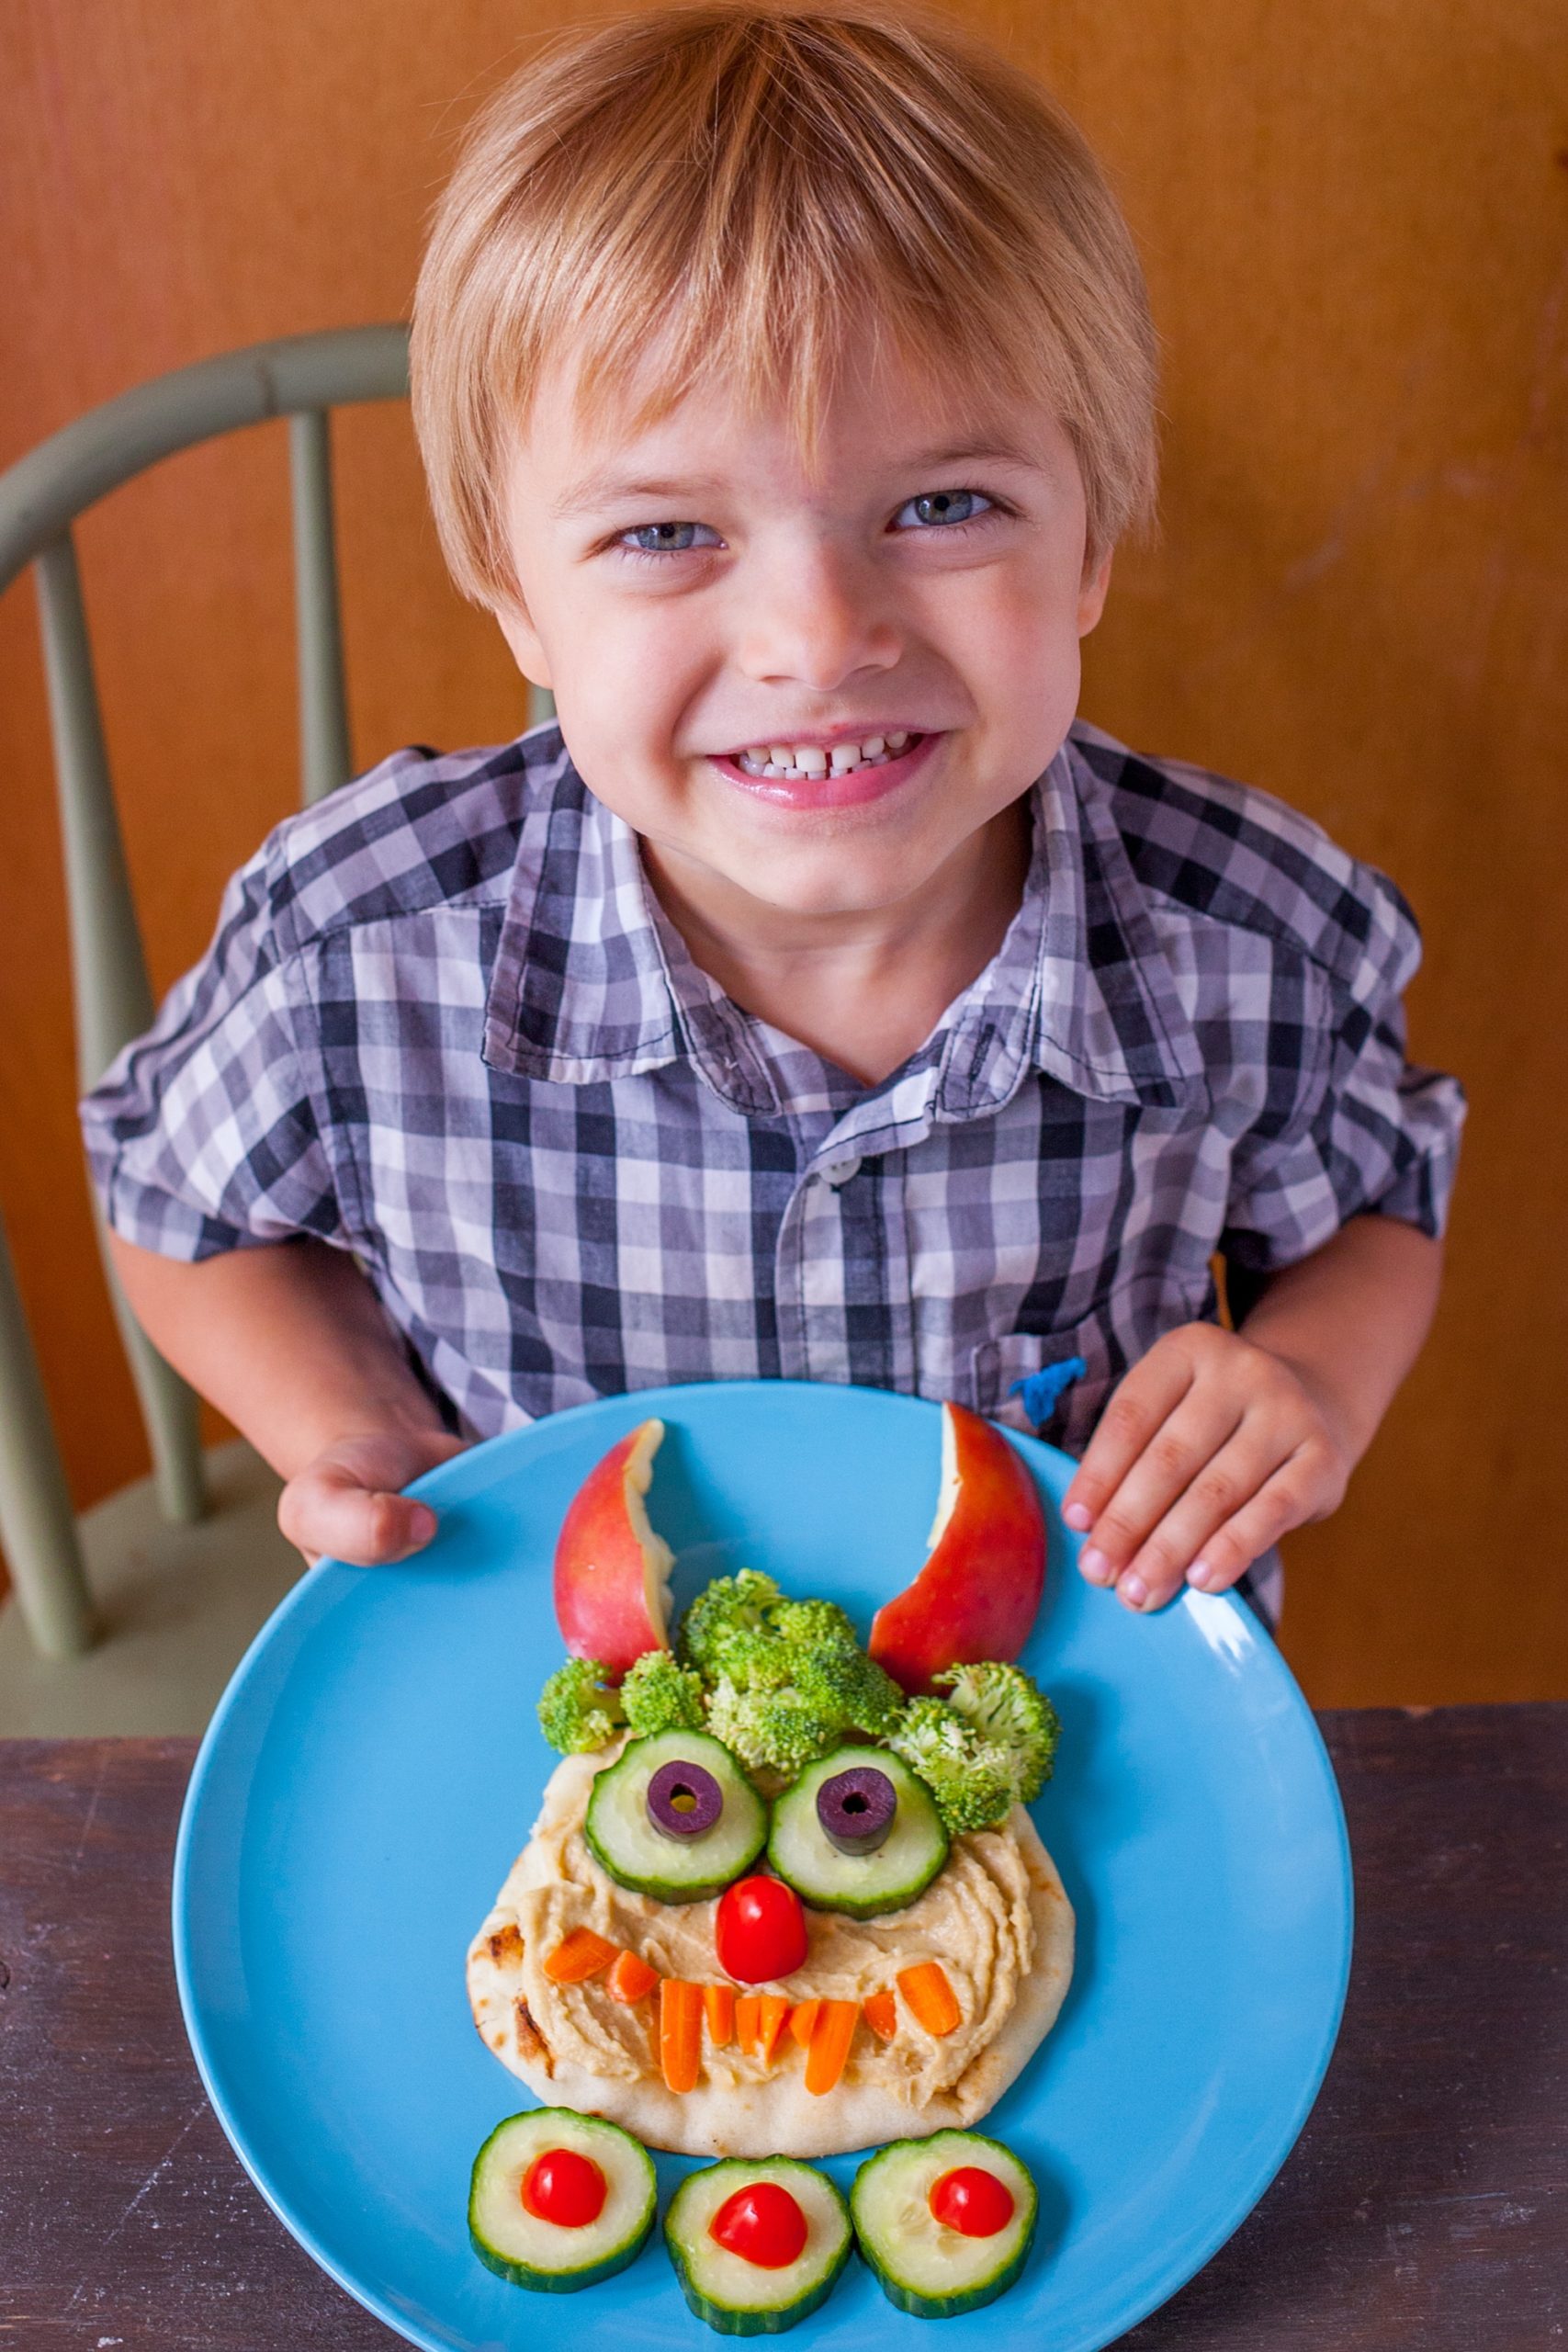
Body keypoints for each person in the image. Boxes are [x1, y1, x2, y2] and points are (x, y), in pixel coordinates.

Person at [81, 6, 1463, 1627]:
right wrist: (345, 1423)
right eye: (668, 530)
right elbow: (176, 1210)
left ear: (1090, 539)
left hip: (1071, 1705)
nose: (819, 640)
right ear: (514, 599)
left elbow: (1377, 1204)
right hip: (557, 1706)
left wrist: (1310, 1382)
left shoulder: (1254, 939)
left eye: (944, 507)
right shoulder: (358, 946)